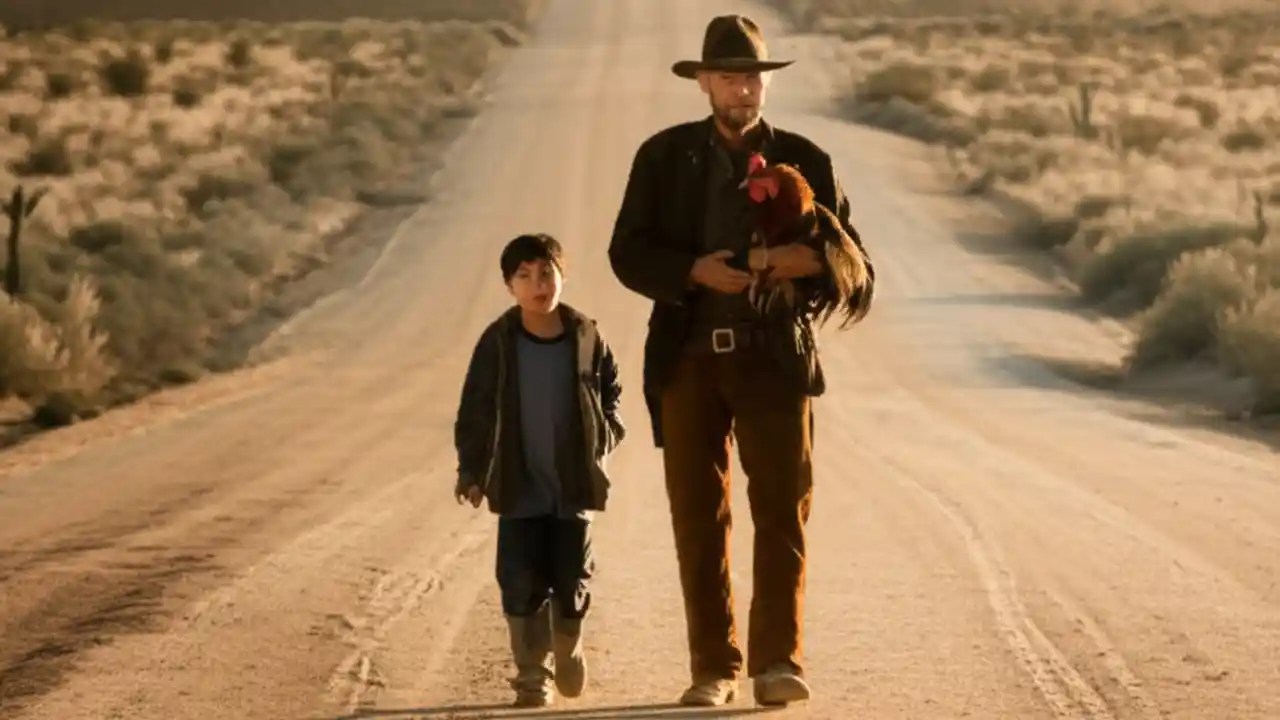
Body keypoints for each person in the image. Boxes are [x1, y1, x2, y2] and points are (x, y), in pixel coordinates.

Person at [608, 14, 874, 709]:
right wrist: (691, 271)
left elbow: (856, 264)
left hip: (775, 361)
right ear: (703, 83)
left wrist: (806, 263)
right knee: (698, 518)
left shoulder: (806, 159)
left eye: (752, 75)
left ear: (764, 84)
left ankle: (778, 662)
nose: (742, 87)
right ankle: (713, 668)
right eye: (729, 75)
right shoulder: (662, 159)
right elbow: (626, 253)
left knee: (782, 512)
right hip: (688, 360)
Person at [453, 232, 626, 708]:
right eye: (525, 276)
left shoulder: (587, 336)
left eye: (546, 272)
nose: (538, 284)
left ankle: (567, 647)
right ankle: (532, 673)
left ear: (562, 275)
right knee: (520, 578)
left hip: (573, 484)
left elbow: (611, 391)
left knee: (571, 577)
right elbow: (476, 409)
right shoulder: (499, 342)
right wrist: (471, 470)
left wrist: (607, 434)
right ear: (510, 286)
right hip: (518, 482)